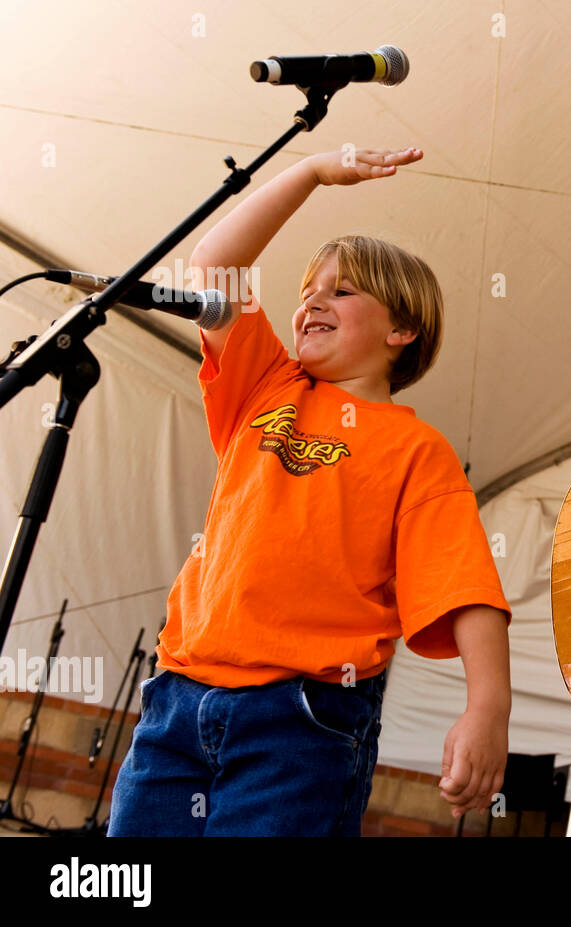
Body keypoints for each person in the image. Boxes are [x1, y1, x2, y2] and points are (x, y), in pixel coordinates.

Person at [108, 147, 512, 837]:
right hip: (179, 697)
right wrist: (309, 173)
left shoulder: (419, 451)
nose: (313, 301)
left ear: (402, 329)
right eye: (307, 290)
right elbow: (213, 268)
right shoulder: (265, 385)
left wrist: (488, 710)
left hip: (302, 722)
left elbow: (465, 587)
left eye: (343, 289)